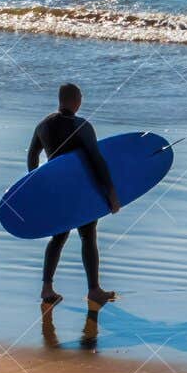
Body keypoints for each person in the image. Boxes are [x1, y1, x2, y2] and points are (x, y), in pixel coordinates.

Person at [27, 82, 119, 306]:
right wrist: (111, 193)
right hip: (81, 190)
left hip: (58, 190)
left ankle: (47, 288)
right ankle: (94, 290)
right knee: (88, 236)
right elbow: (97, 161)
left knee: (58, 236)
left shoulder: (43, 125)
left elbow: (32, 156)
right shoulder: (82, 126)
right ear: (77, 101)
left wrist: (37, 184)